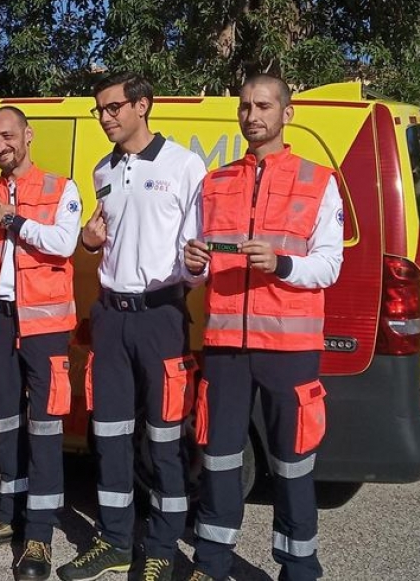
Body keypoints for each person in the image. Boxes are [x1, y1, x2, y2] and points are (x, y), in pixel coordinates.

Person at [183, 74, 344, 581]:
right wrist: (191, 263)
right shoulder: (215, 182)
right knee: (218, 458)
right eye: (246, 106)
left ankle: (299, 567)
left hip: (291, 347)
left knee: (293, 464)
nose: (253, 115)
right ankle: (211, 562)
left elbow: (330, 265)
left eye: (264, 106)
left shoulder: (319, 180)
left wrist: (283, 265)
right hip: (227, 344)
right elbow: (193, 262)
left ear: (286, 113)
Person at [58, 72, 207, 581]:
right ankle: (116, 540)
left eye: (114, 107)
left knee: (164, 439)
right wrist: (91, 243)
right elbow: (107, 238)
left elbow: (196, 253)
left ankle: (162, 546)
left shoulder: (185, 165)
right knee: (110, 435)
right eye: (99, 110)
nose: (106, 117)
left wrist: (194, 266)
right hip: (110, 317)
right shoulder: (103, 170)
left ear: (143, 105)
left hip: (161, 315)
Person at [0, 106, 82, 581]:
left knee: (46, 429)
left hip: (45, 324)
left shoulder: (59, 187)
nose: (0, 144)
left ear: (28, 135)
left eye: (7, 135)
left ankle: (40, 535)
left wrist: (15, 222)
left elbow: (64, 243)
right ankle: (8, 515)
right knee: (5, 424)